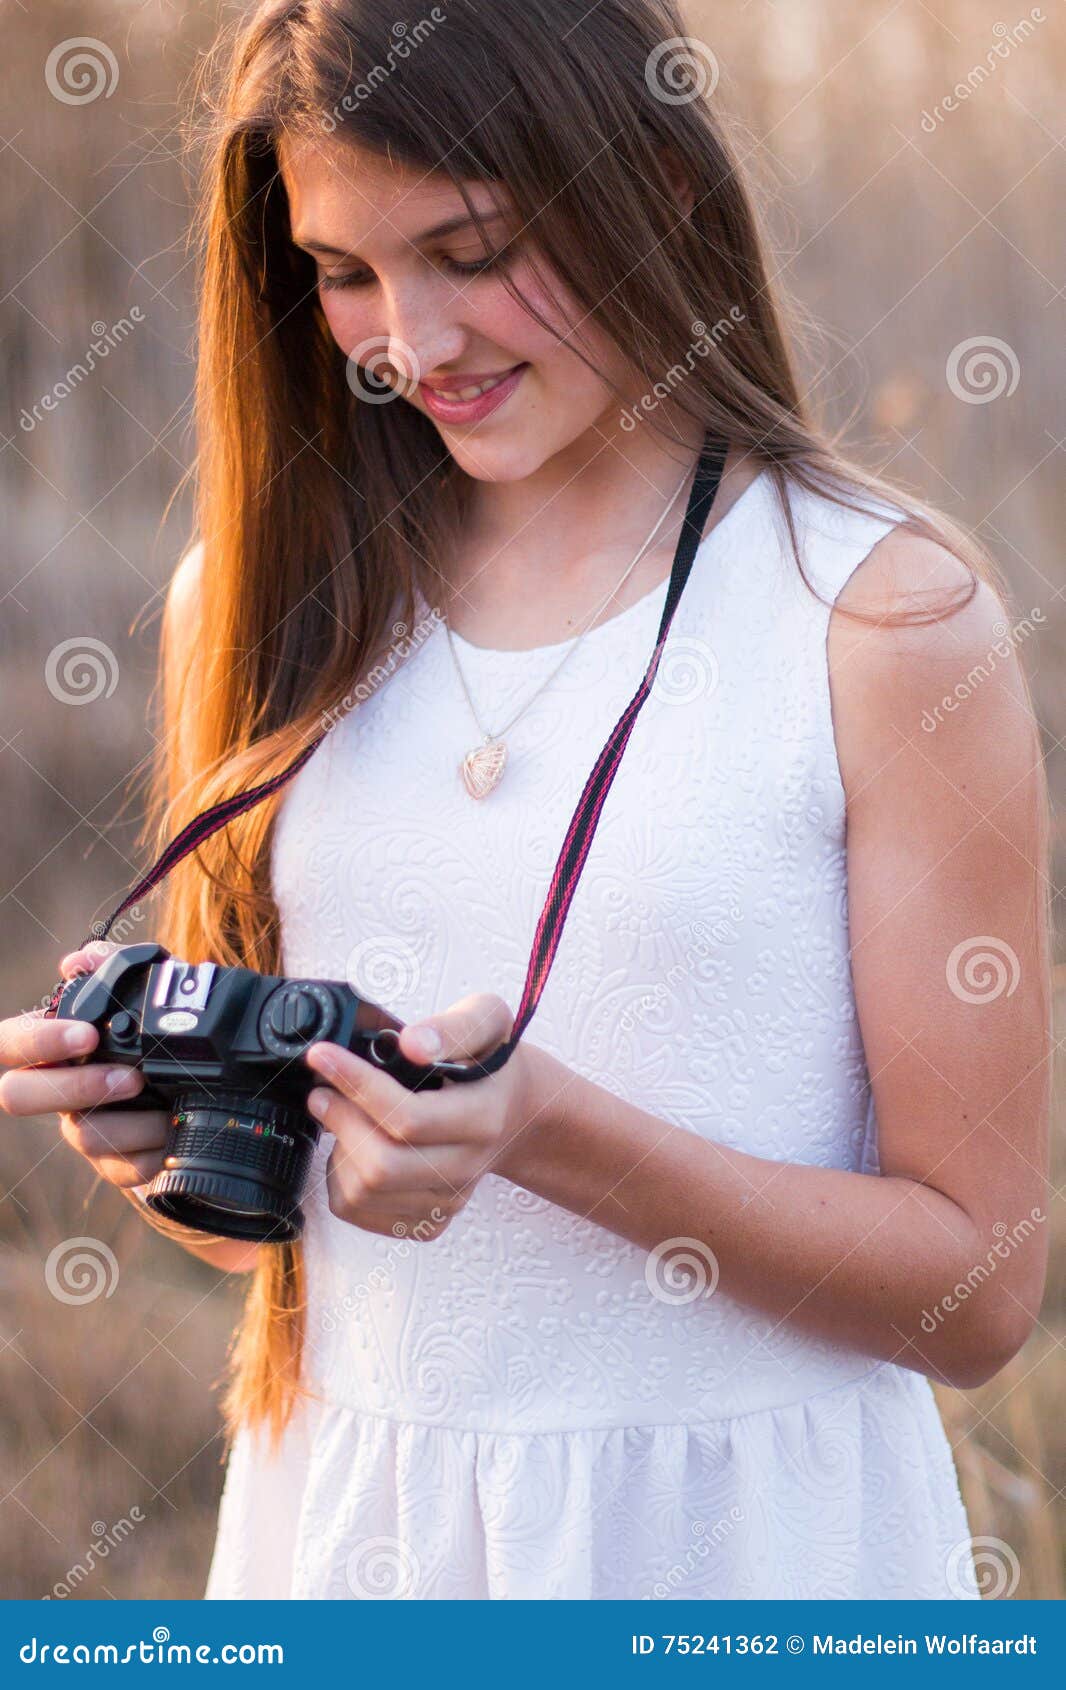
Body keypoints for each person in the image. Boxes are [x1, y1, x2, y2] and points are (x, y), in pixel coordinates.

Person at [0, 0, 1051, 1601]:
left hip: (749, 1557)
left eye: (472, 251)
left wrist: (552, 1133)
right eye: (343, 272)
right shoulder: (258, 596)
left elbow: (975, 1295)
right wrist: (166, 1150)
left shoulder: (880, 616)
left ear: (660, 192)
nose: (408, 344)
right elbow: (300, 1249)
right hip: (356, 1540)